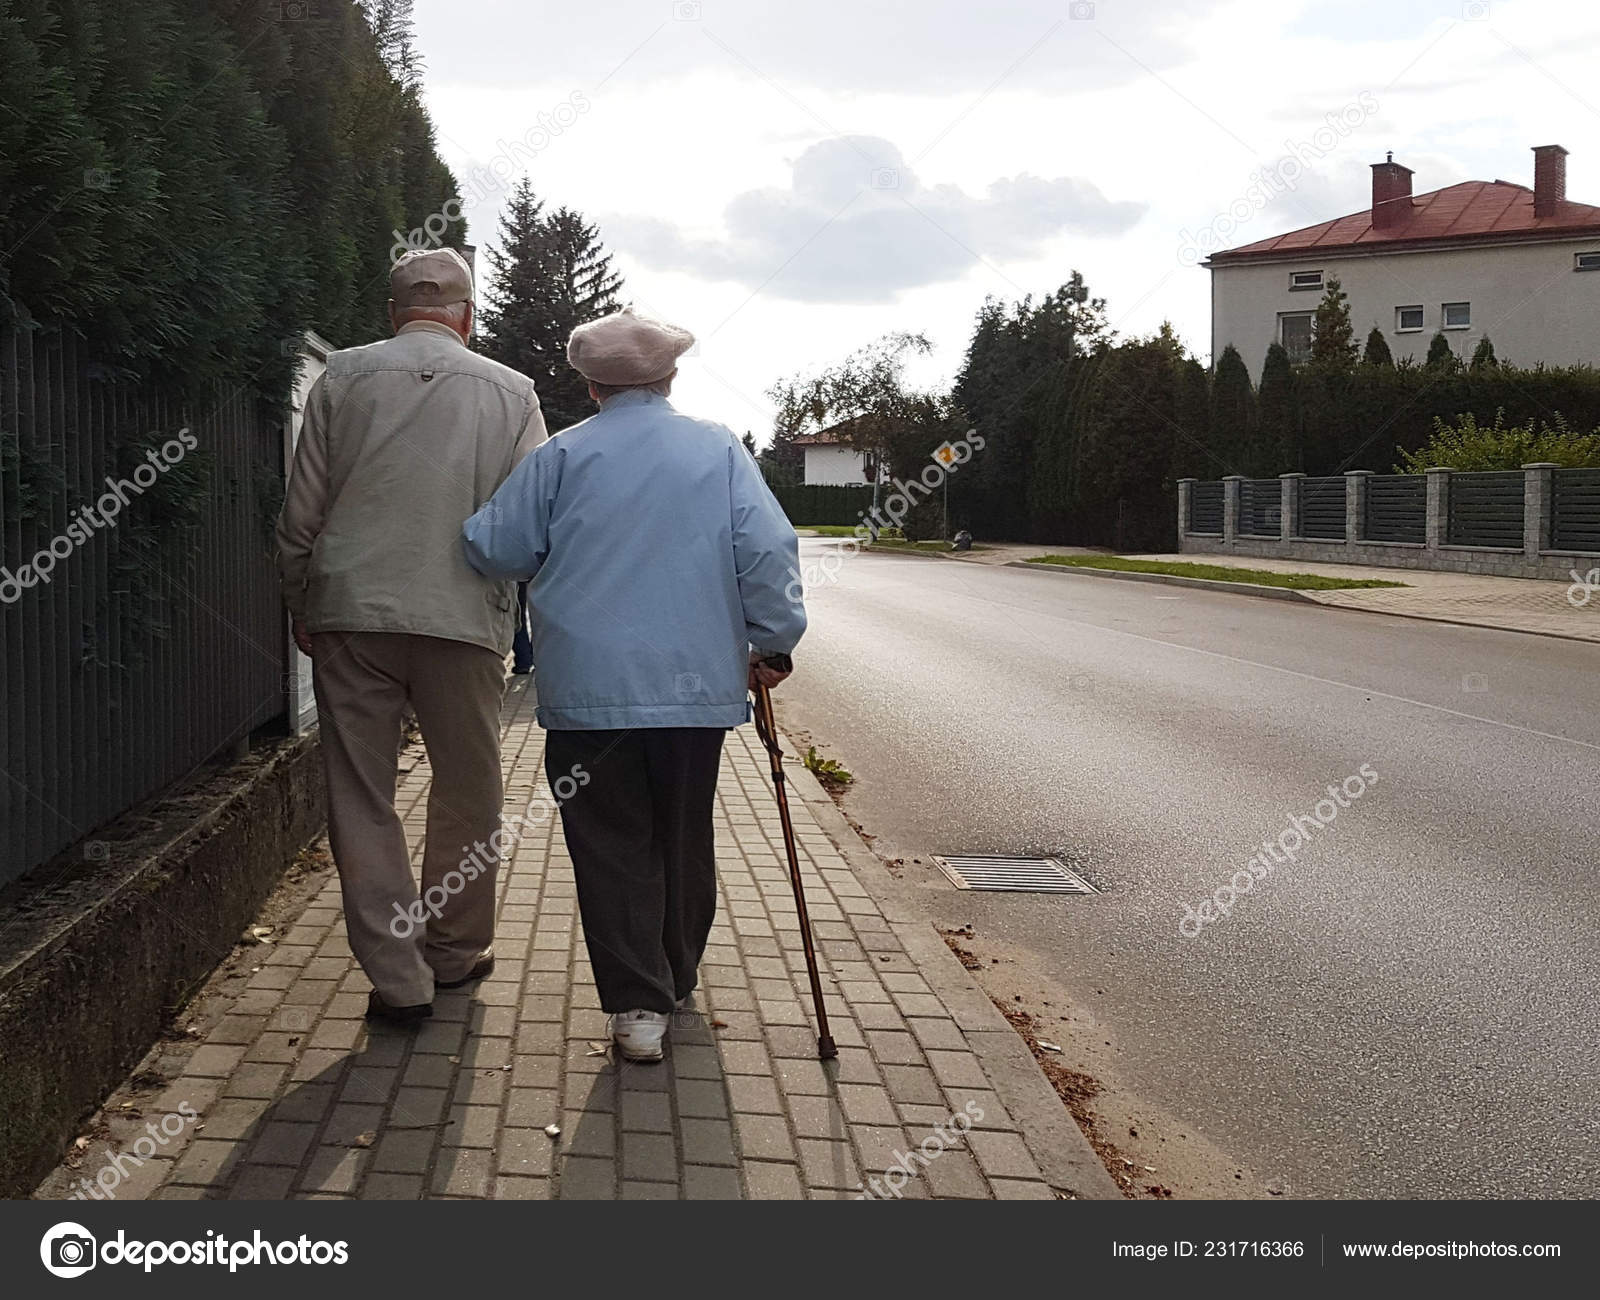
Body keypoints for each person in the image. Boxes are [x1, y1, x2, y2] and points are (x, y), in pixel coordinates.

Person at [461, 308, 805, 1062]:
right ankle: (676, 976)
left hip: (589, 693)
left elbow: (495, 547)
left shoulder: (560, 457)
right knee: (683, 833)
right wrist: (774, 643)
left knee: (609, 844)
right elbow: (768, 550)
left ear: (590, 386)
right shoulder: (716, 449)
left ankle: (637, 1005)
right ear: (670, 376)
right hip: (694, 692)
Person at [276, 248, 547, 1025]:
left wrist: (301, 599)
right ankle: (454, 954)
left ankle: (397, 979)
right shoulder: (513, 391)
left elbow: (303, 512)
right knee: (469, 789)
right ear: (467, 314)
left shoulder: (343, 378)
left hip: (351, 611)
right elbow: (529, 518)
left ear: (393, 312)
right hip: (463, 618)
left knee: (362, 795)